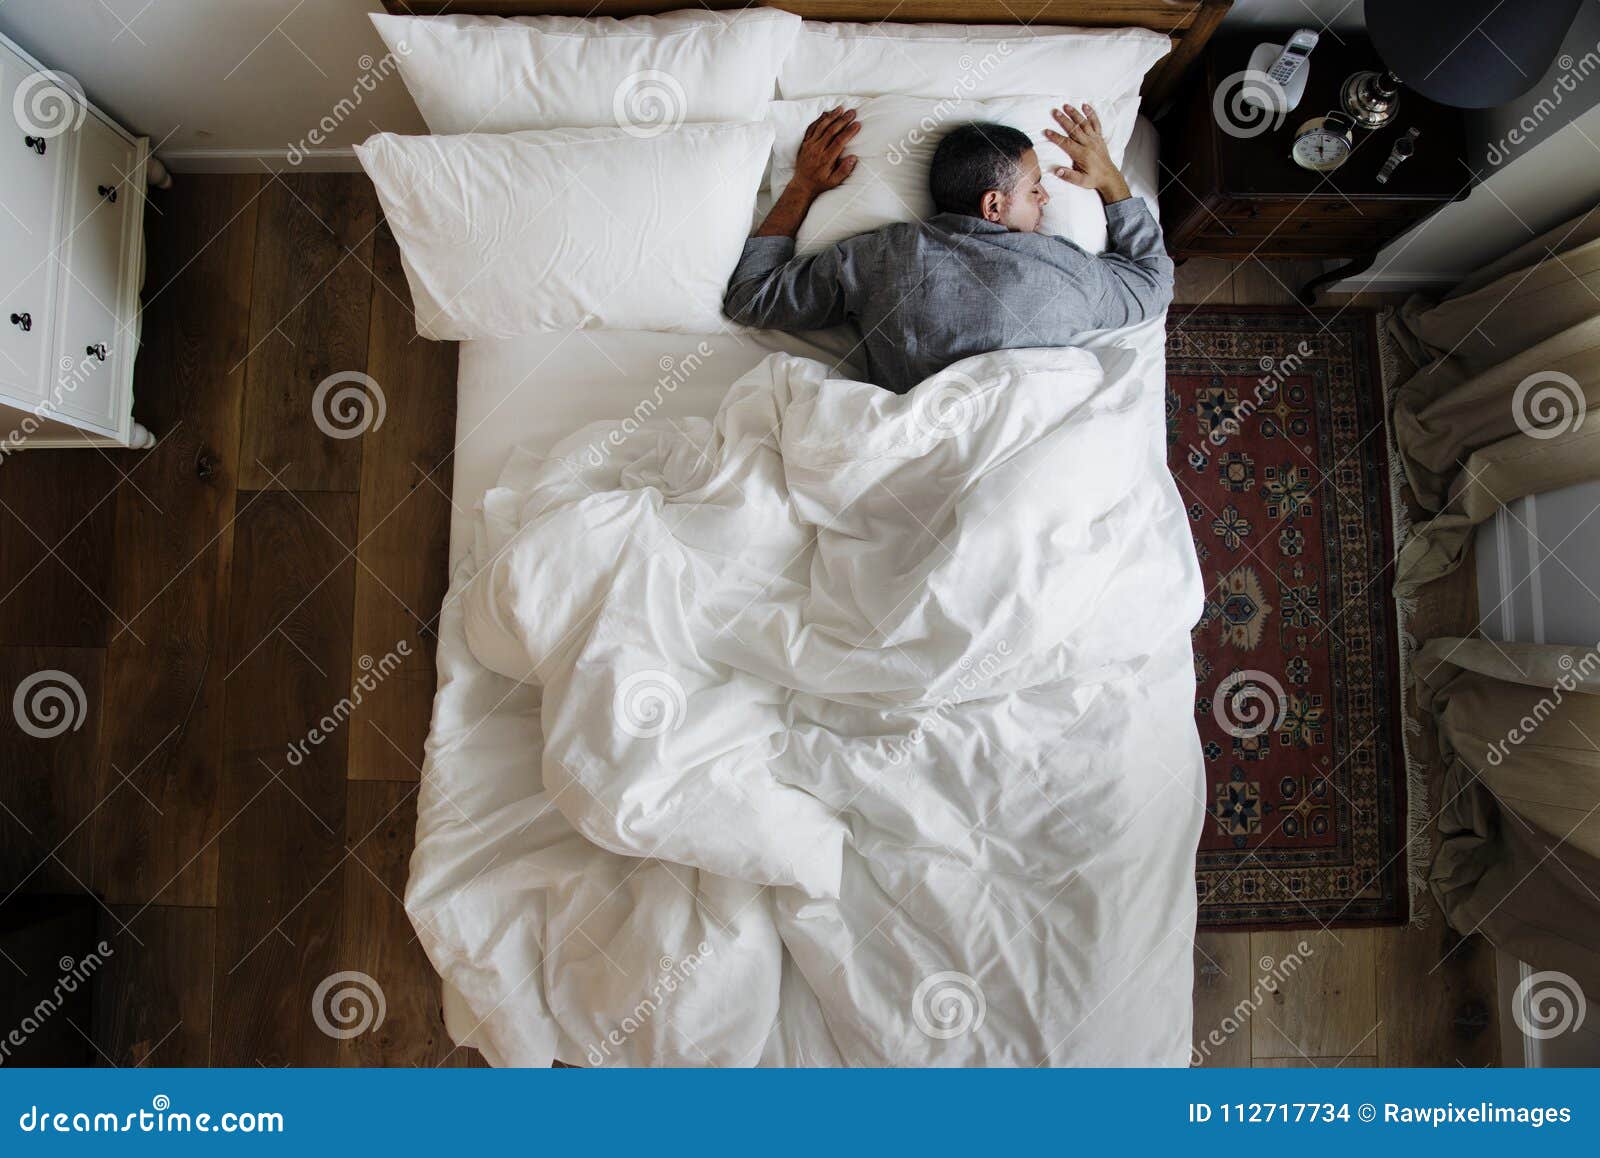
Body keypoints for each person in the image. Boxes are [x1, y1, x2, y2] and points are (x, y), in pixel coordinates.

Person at [722, 105, 1173, 394]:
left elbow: (751, 298)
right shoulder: (1065, 268)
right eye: (1035, 187)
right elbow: (1153, 286)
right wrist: (1111, 179)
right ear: (993, 205)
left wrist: (802, 187)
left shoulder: (878, 256)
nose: (1046, 198)